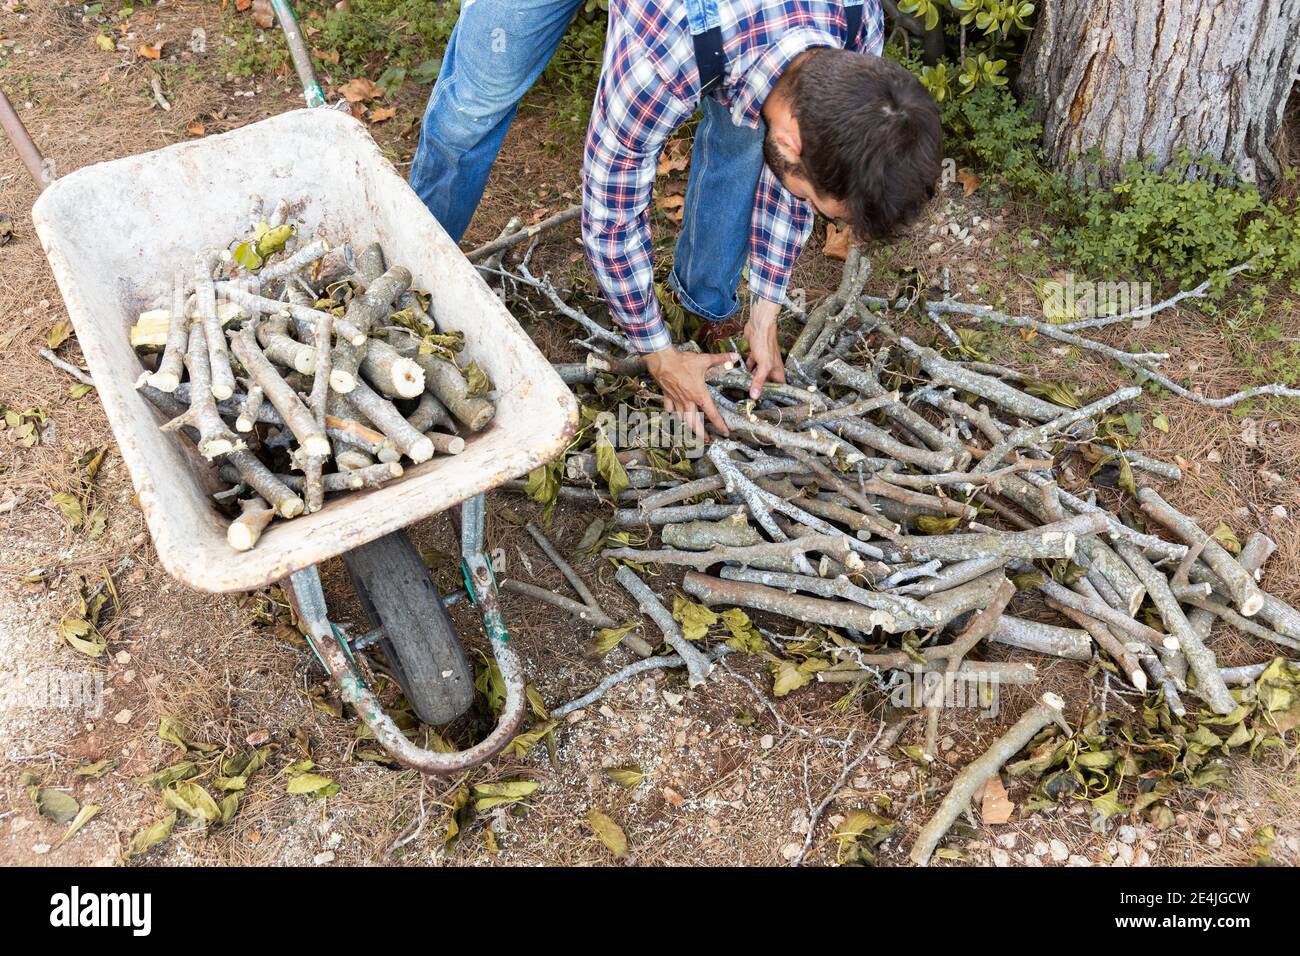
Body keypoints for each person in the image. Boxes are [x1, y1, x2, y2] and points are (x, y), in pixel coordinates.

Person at [412, 1, 941, 441]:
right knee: (472, 108)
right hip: (692, 24)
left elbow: (810, 155)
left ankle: (703, 307)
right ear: (788, 144)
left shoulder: (854, 26)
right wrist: (657, 355)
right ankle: (407, 278)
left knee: (743, 127)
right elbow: (611, 210)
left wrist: (767, 307)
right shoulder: (666, 50)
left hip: (736, 36)